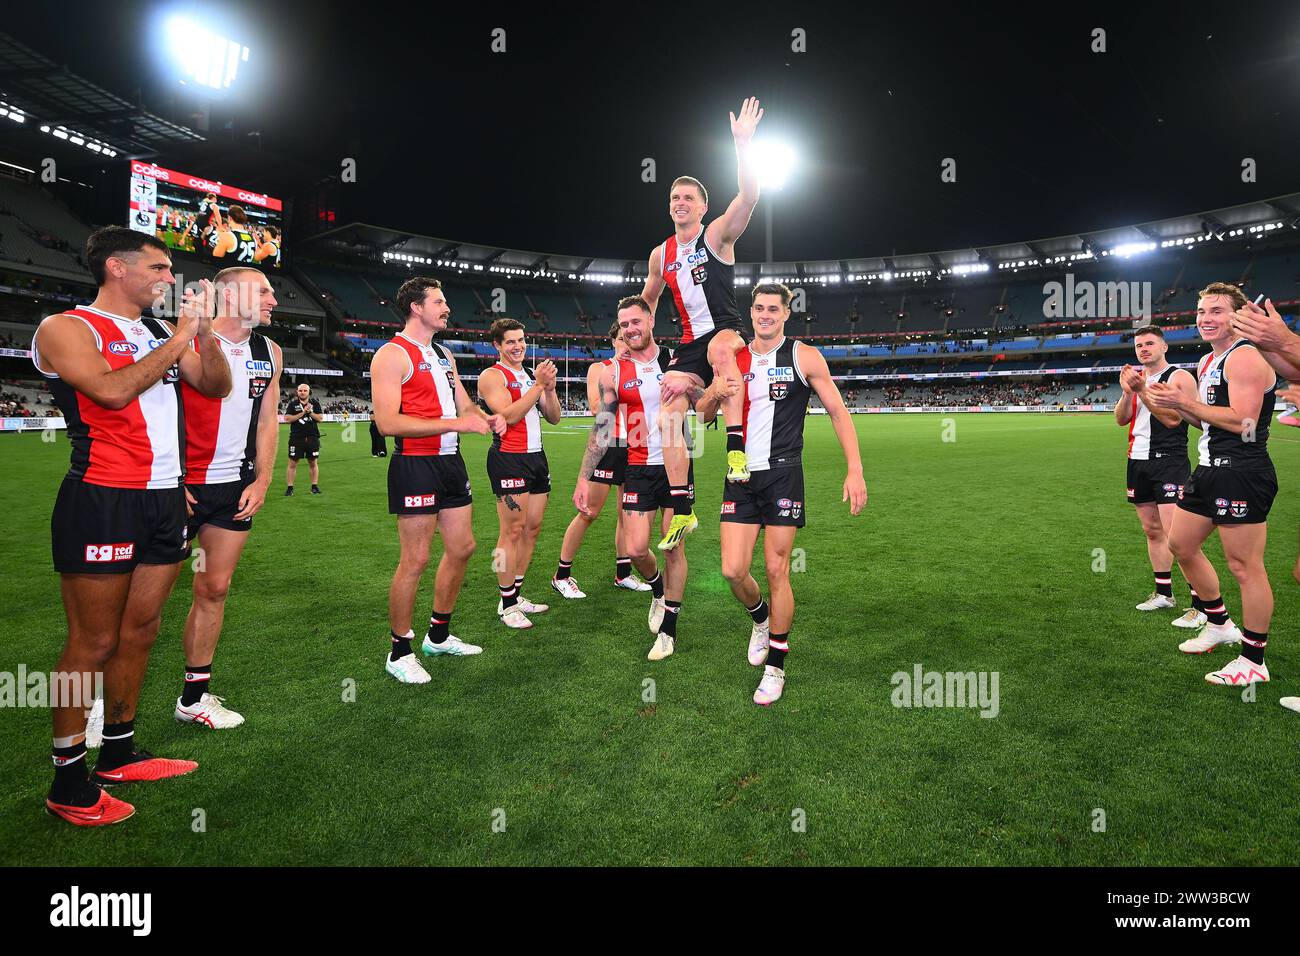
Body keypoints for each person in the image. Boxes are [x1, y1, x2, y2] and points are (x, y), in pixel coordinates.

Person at [31, 226, 231, 826]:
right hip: (102, 497)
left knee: (141, 630)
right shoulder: (66, 327)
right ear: (117, 268)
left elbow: (215, 385)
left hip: (165, 501)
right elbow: (114, 392)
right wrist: (179, 339)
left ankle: (118, 751)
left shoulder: (153, 332)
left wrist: (205, 336)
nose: (171, 280)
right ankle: (68, 779)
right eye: (161, 268)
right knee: (90, 641)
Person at [713, 283, 867, 705]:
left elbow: (838, 410)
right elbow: (706, 411)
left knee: (778, 570)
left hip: (783, 476)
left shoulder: (803, 356)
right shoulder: (734, 357)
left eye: (773, 309)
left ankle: (776, 666)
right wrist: (714, 392)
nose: (765, 315)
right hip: (739, 475)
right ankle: (759, 618)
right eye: (759, 308)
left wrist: (854, 469)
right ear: (752, 311)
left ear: (786, 314)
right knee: (732, 570)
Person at [638, 98, 765, 552]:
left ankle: (735, 449)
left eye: (688, 197)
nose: (679, 203)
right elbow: (647, 304)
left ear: (703, 206)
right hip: (688, 343)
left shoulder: (716, 236)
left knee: (720, 352)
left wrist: (743, 145)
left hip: (724, 332)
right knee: (668, 408)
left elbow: (749, 197)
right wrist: (634, 338)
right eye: (674, 197)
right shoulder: (661, 254)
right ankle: (683, 507)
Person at [573, 296, 730, 660]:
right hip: (639, 466)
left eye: (635, 322)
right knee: (636, 548)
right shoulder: (613, 372)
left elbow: (703, 407)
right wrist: (585, 476)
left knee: (673, 544)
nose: (629, 329)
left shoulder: (679, 360)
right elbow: (603, 426)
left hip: (677, 466)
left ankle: (669, 629)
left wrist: (708, 393)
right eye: (623, 324)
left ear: (650, 321)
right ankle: (658, 590)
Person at [371, 277, 506, 682]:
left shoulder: (444, 353)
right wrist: (457, 424)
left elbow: (464, 401)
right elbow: (387, 422)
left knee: (463, 547)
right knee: (415, 559)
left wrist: (486, 417)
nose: (447, 308)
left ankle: (439, 635)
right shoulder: (391, 355)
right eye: (439, 301)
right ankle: (399, 651)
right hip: (415, 464)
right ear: (416, 306)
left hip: (450, 462)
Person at [1147, 282, 1279, 685]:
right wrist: (1174, 403)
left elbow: (1245, 423)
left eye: (1217, 311)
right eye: (1202, 311)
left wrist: (1184, 402)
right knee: (1180, 544)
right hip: (1208, 469)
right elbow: (1204, 419)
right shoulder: (1207, 362)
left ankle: (1255, 659)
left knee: (1245, 566)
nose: (1206, 318)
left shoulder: (1244, 358)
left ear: (1237, 315)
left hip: (1242, 471)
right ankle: (1219, 623)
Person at [176, 266, 282, 729]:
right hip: (176, 487)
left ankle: (193, 698)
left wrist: (262, 480)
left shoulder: (270, 351)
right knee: (140, 602)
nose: (273, 299)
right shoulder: (182, 337)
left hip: (233, 487)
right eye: (263, 291)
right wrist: (167, 478)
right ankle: (101, 704)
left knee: (214, 589)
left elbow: (266, 420)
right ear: (228, 294)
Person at [1114, 327, 1205, 627]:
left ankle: (1201, 605)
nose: (1143, 349)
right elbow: (1120, 419)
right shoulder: (1136, 379)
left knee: (1179, 537)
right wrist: (1128, 393)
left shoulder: (1178, 377)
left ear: (1164, 346)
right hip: (1137, 461)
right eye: (1139, 345)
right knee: (1152, 530)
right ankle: (1164, 593)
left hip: (1169, 462)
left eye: (1150, 343)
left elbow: (1173, 420)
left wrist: (1140, 390)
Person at [552, 322, 650, 598]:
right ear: (613, 342)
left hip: (635, 446)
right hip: (608, 446)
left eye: (630, 339)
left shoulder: (640, 369)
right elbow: (597, 408)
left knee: (626, 515)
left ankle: (623, 574)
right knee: (589, 512)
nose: (626, 345)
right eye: (621, 339)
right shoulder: (602, 369)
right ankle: (561, 575)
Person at [478, 318, 560, 628]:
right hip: (508, 460)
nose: (518, 346)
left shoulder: (528, 375)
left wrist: (548, 390)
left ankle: (516, 593)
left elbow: (554, 418)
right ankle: (506, 602)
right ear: (497, 345)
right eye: (510, 341)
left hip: (536, 458)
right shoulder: (491, 376)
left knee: (532, 528)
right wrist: (539, 385)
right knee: (510, 531)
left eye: (521, 339)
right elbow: (507, 416)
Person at [284, 382, 322, 495]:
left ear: (309, 392)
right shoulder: (292, 404)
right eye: (300, 390)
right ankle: (290, 488)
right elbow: (287, 418)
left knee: (313, 462)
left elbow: (320, 418)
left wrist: (310, 412)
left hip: (312, 437)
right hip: (296, 438)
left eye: (305, 390)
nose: (303, 392)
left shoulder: (315, 403)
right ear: (297, 392)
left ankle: (314, 486)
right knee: (292, 463)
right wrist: (302, 413)